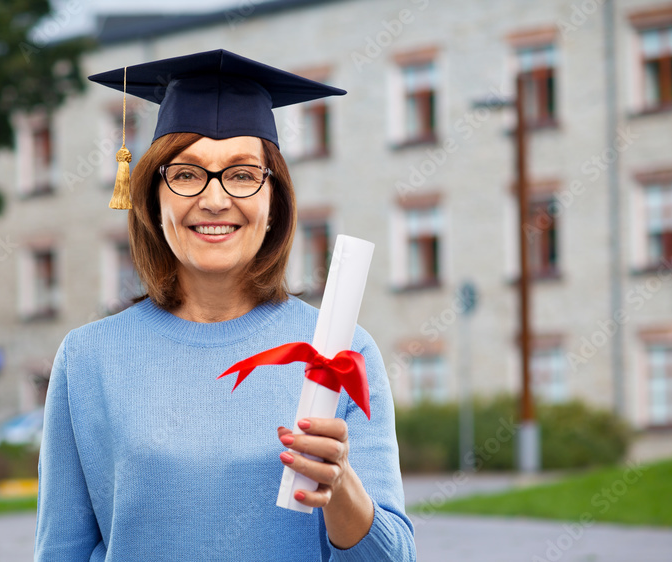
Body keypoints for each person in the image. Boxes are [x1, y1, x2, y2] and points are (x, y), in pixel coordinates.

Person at [36, 49, 415, 561]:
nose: (214, 200)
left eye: (241, 174)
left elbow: (395, 558)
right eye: (187, 174)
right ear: (153, 196)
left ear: (273, 199)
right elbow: (61, 551)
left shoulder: (340, 352)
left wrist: (340, 484)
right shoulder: (88, 359)